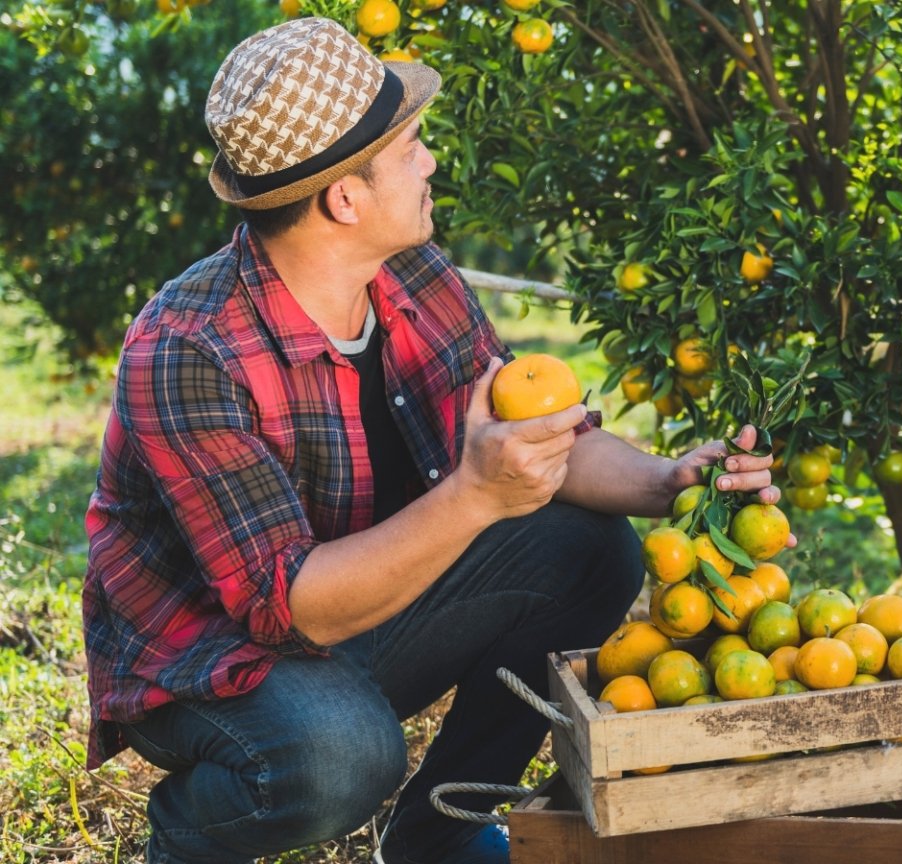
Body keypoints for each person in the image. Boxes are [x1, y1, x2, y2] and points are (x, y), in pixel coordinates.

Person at [81, 17, 781, 864]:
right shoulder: (190, 351)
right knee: (341, 759)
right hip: (206, 660)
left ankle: (435, 841)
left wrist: (672, 479)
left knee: (593, 549)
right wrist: (474, 497)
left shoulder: (407, 273)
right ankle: (191, 838)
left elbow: (537, 439)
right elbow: (287, 605)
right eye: (413, 146)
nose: (431, 161)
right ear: (345, 198)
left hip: (358, 603)